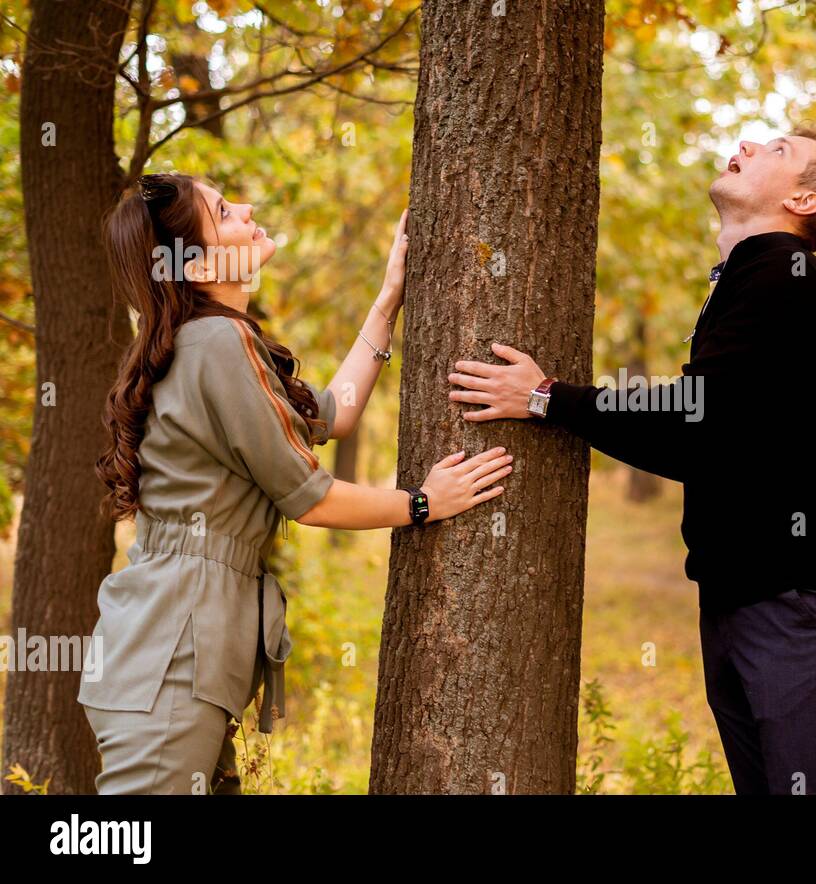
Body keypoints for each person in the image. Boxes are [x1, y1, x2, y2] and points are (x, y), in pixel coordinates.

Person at [448, 124, 816, 795]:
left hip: (805, 603)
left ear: (802, 202)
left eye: (779, 151)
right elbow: (716, 433)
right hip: (745, 600)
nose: (748, 146)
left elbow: (694, 423)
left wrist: (545, 398)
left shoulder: (786, 275)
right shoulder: (750, 278)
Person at [80, 172, 513, 794]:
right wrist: (422, 504)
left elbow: (330, 414)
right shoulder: (215, 342)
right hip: (169, 663)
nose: (247, 207)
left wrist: (388, 301)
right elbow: (311, 498)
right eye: (224, 212)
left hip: (167, 656)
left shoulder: (205, 343)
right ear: (197, 267)